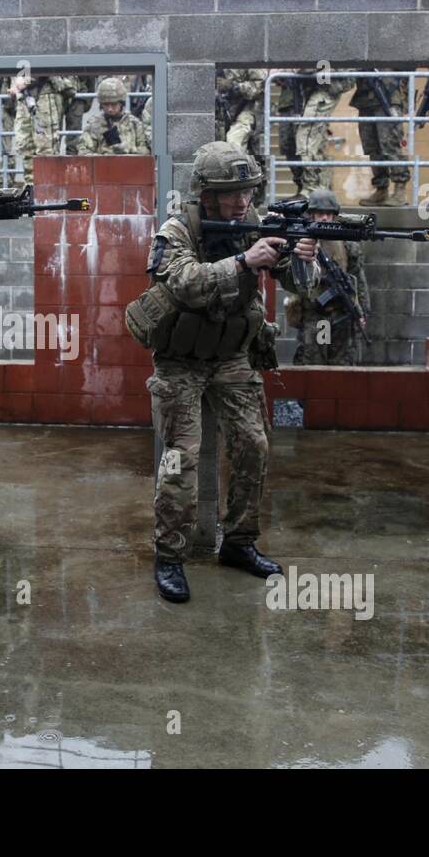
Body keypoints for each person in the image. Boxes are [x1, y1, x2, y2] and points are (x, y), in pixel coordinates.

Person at [133, 142, 317, 603]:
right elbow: (183, 283)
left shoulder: (254, 226)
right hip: (180, 359)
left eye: (248, 191)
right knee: (183, 456)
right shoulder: (177, 229)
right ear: (207, 193)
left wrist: (302, 257)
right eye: (232, 193)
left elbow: (301, 287)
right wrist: (242, 261)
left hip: (234, 356)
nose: (242, 201)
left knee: (253, 444)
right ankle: (170, 555)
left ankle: (239, 541)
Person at [289, 189, 370, 365]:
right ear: (311, 215)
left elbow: (358, 280)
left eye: (328, 214)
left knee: (342, 367)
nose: (324, 218)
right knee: (314, 364)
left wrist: (362, 311)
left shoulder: (347, 244)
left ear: (334, 216)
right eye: (319, 214)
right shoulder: (303, 242)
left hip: (341, 315)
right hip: (315, 316)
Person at [352, 74, 410, 207]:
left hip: (388, 95)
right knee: (371, 147)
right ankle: (381, 189)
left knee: (390, 144)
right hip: (365, 98)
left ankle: (399, 190)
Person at [10, 74, 79, 183]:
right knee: (26, 149)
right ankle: (31, 190)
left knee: (46, 152)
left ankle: (47, 193)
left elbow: (44, 61)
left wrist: (25, 80)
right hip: (24, 98)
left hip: (45, 96)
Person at [75, 77, 151, 155]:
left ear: (121, 103)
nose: (110, 109)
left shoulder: (134, 124)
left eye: (114, 104)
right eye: (106, 104)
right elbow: (83, 152)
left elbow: (145, 151)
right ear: (101, 104)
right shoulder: (94, 125)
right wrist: (105, 156)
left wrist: (129, 149)